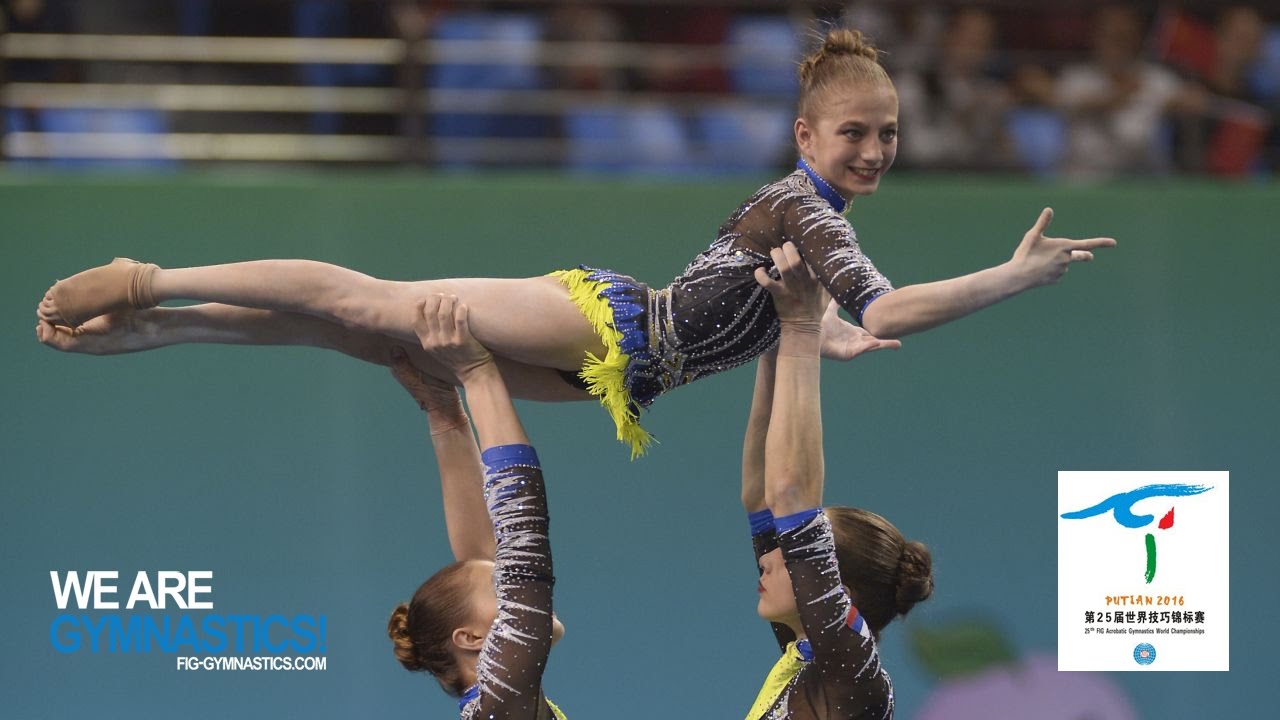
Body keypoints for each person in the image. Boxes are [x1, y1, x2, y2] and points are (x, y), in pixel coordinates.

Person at [36, 28, 1115, 457]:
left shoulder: (815, 227)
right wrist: (1013, 278)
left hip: (623, 380)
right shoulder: (805, 207)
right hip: (610, 316)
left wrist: (816, 336)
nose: (873, 149)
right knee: (371, 302)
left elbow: (779, 304)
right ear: (804, 135)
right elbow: (891, 307)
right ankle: (149, 277)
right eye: (852, 133)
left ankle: (162, 332)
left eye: (886, 133)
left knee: (376, 347)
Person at [741, 244, 932, 719]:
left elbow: (789, 496)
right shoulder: (806, 654)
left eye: (792, 553)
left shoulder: (854, 675)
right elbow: (763, 495)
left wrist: (803, 331)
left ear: (834, 591)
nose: (766, 557)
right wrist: (777, 341)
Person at [386, 294, 567, 719]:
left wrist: (445, 415)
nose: (516, 586)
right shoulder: (500, 704)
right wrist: (476, 372)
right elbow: (522, 541)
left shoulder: (498, 703)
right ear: (468, 638)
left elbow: (485, 554)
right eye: (504, 587)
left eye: (506, 584)